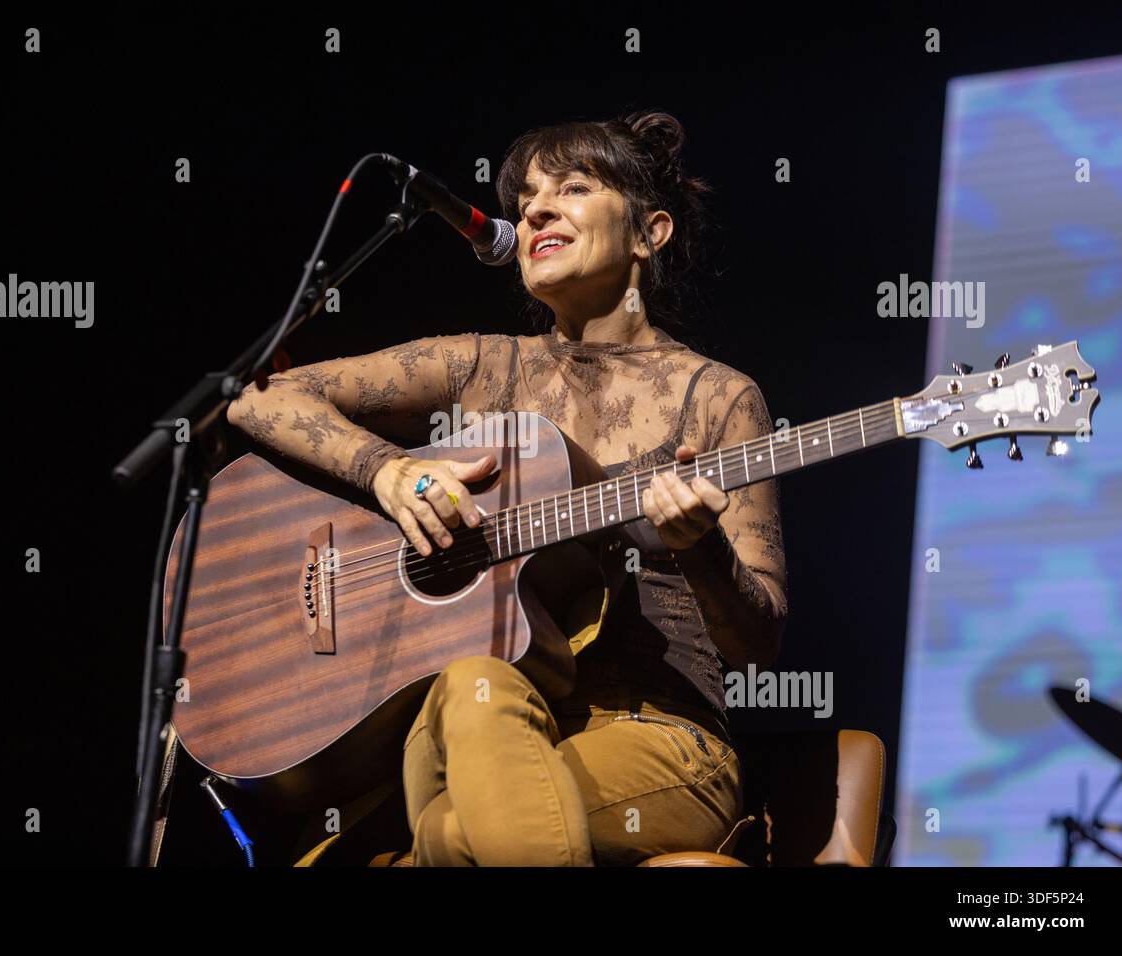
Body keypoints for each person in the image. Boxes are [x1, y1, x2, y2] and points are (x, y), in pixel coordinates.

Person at [227, 110, 787, 866]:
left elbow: (758, 645)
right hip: (471, 727)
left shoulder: (719, 398)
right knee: (472, 684)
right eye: (526, 197)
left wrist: (704, 551)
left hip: (657, 735)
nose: (534, 210)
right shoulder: (481, 368)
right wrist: (388, 470)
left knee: (453, 833)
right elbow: (258, 398)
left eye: (573, 188)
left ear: (649, 234)